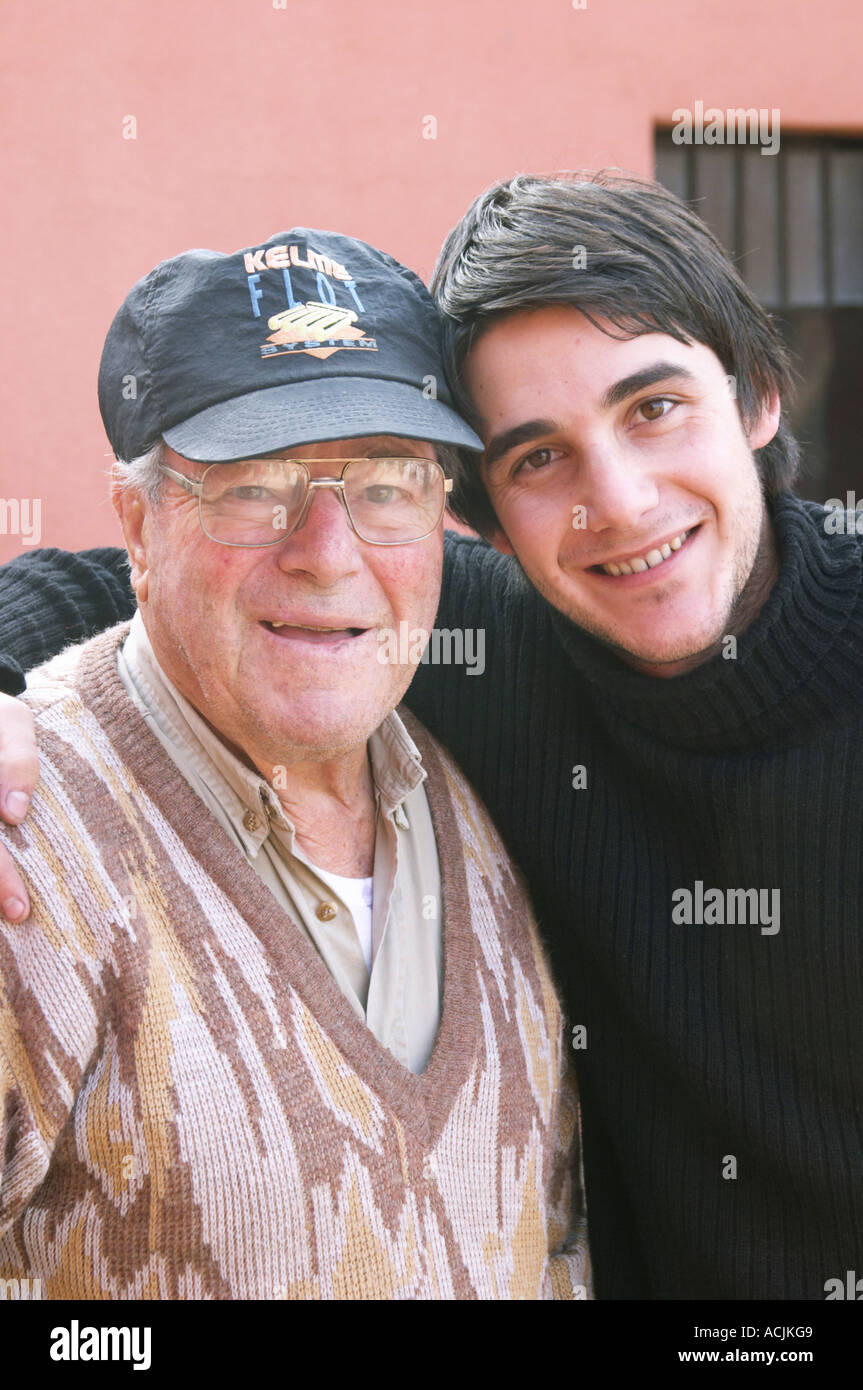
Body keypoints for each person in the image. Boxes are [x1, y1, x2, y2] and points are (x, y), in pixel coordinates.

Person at [1, 170, 860, 1301]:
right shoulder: (475, 626)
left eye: (652, 408)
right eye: (536, 457)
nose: (620, 501)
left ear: (756, 400)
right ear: (490, 520)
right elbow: (155, 590)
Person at [0, 227, 590, 1300]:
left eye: (386, 486)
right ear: (136, 523)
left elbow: (550, 1244)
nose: (326, 550)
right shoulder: (30, 846)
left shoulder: (472, 798)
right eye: (254, 486)